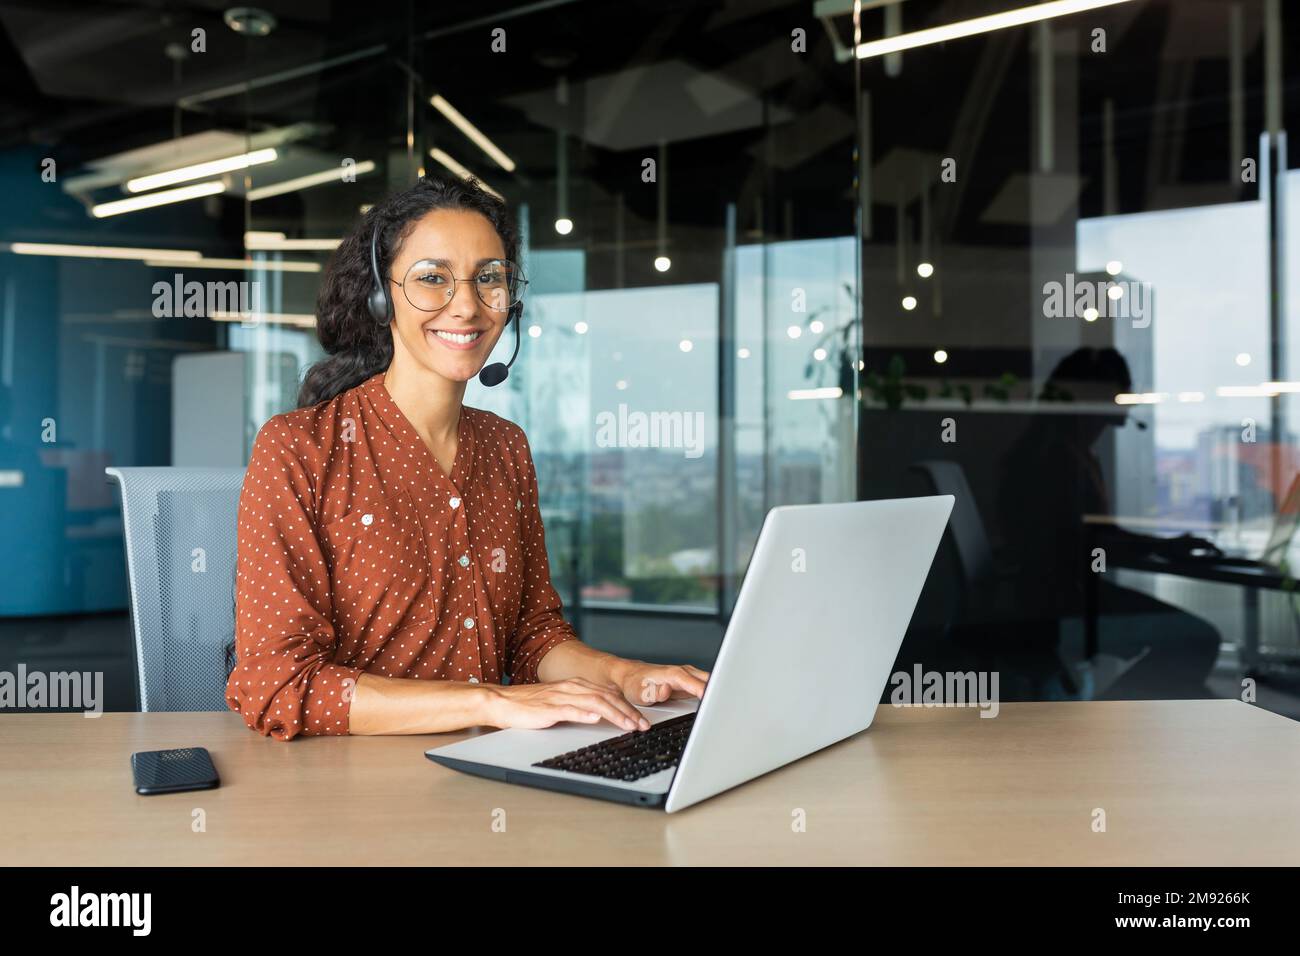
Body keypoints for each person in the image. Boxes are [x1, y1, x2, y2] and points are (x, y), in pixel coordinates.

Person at [225, 174, 708, 740]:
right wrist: (490, 703)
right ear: (383, 295)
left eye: (489, 280)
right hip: (345, 787)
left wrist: (624, 674)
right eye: (433, 279)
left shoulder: (505, 447)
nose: (468, 306)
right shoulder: (298, 447)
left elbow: (533, 637)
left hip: (486, 770)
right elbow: (278, 685)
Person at [994, 347, 1222, 699]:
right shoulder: (1058, 459)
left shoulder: (1069, 451)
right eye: (1122, 391)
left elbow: (1093, 537)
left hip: (1063, 598)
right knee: (1198, 641)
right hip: (1063, 605)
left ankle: (1108, 720)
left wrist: (1161, 546)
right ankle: (1107, 720)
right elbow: (1080, 543)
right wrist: (1160, 547)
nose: (1129, 400)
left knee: (1195, 670)